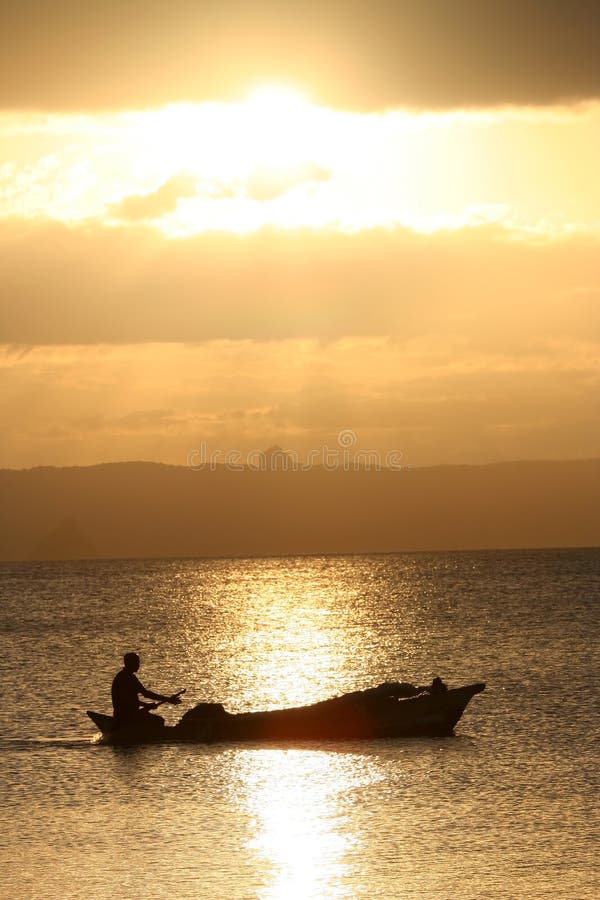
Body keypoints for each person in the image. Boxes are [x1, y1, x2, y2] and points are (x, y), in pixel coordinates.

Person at [111, 652, 182, 729]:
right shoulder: (125, 678)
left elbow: (145, 693)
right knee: (159, 720)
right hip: (126, 715)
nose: (138, 665)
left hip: (132, 713)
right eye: (136, 662)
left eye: (138, 662)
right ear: (129, 663)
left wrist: (167, 699)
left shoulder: (130, 677)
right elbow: (127, 701)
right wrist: (147, 705)